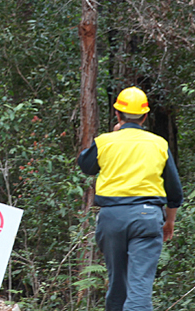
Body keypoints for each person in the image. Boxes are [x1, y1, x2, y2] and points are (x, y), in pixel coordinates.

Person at [78, 86, 183, 311]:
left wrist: (114, 137)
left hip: (112, 218)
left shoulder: (106, 142)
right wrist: (170, 222)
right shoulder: (159, 144)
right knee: (140, 288)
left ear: (117, 114)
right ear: (145, 116)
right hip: (147, 217)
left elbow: (86, 166)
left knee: (117, 284)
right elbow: (174, 192)